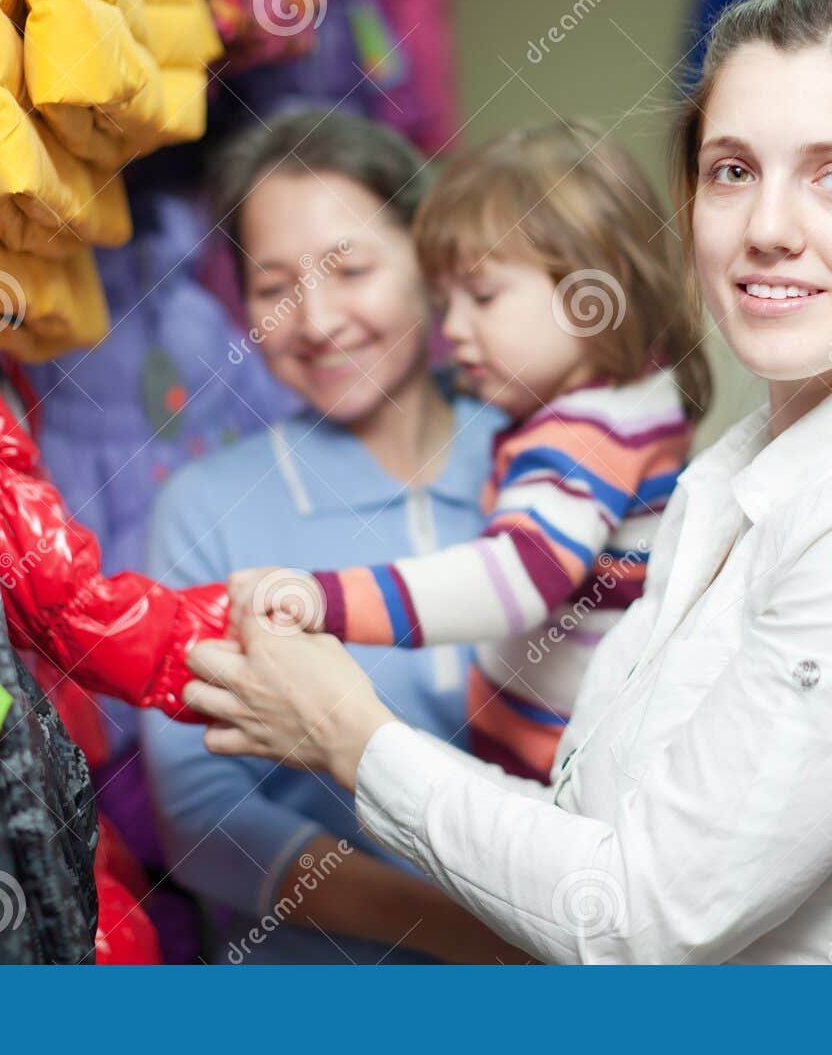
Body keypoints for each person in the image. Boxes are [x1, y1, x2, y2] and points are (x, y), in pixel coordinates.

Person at [181, 0, 832, 964]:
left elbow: (643, 916)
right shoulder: (733, 474)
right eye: (732, 171)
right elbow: (598, 829)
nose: (767, 225)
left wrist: (354, 738)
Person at [141, 111, 525, 963]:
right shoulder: (206, 510)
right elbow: (201, 814)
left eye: (349, 268)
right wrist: (478, 932)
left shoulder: (549, 472)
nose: (316, 320)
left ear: (430, 262)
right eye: (275, 285)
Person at [229, 121, 709, 782]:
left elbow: (514, 579)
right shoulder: (634, 407)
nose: (452, 329)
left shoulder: (588, 435)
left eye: (482, 297)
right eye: (445, 299)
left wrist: (325, 598)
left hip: (562, 780)